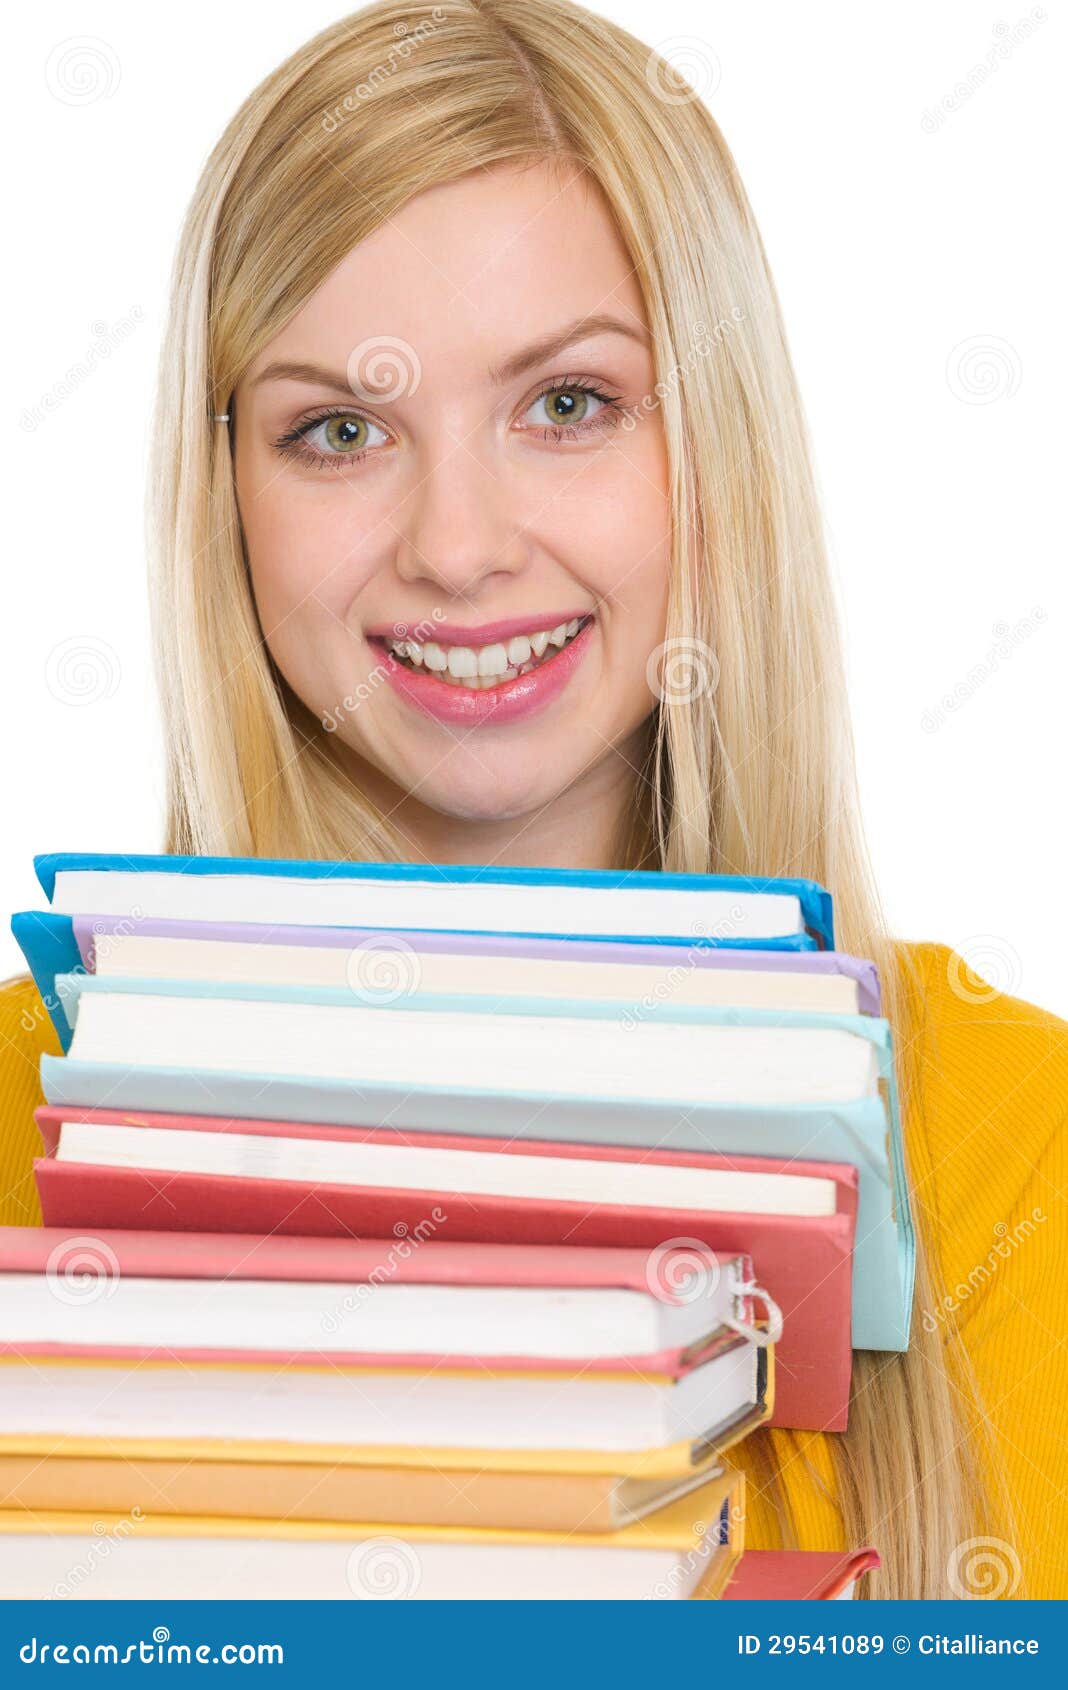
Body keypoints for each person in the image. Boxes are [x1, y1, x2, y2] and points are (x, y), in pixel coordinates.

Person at [2, 0, 1064, 1598]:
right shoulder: (24, 1113)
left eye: (566, 404)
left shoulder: (1021, 1152)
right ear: (222, 494)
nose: (458, 542)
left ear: (715, 445)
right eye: (339, 430)